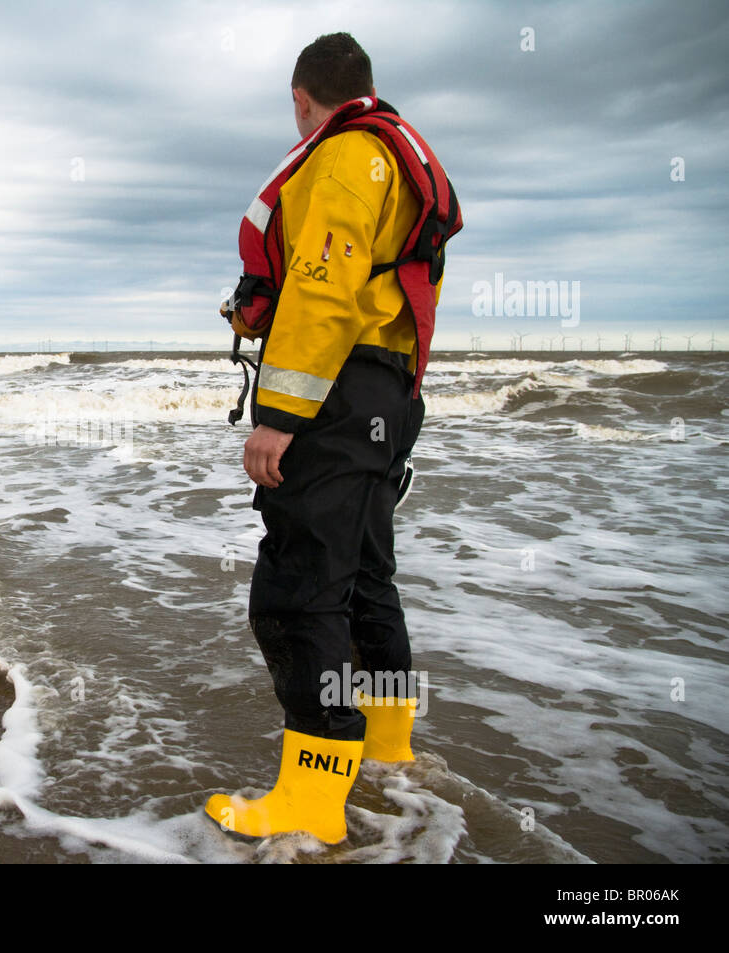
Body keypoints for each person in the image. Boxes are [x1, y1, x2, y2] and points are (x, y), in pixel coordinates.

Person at [205, 34, 458, 842]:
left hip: (339, 395)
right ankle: (388, 741)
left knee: (298, 589)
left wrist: (277, 415)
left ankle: (313, 798)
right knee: (365, 573)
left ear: (301, 100)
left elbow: (323, 294)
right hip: (386, 391)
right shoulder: (393, 153)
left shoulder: (346, 156)